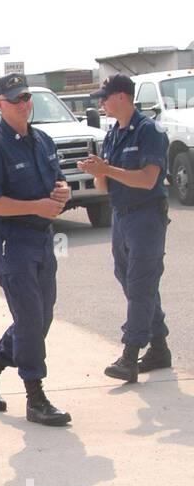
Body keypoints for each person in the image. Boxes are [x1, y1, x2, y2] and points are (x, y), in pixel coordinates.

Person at [0, 74, 72, 427]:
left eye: (26, 97)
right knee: (30, 320)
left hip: (42, 239)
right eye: (15, 100)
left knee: (41, 318)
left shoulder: (41, 140)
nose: (23, 104)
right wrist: (36, 207)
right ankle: (35, 397)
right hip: (12, 243)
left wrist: (61, 194)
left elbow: (55, 182)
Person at [78, 73, 171, 381]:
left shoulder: (149, 131)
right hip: (122, 215)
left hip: (146, 216)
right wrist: (98, 171)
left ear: (121, 97)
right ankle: (158, 347)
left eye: (104, 98)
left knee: (141, 282)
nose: (101, 104)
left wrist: (108, 169)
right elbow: (104, 187)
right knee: (130, 280)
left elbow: (147, 180)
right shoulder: (113, 134)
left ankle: (130, 355)